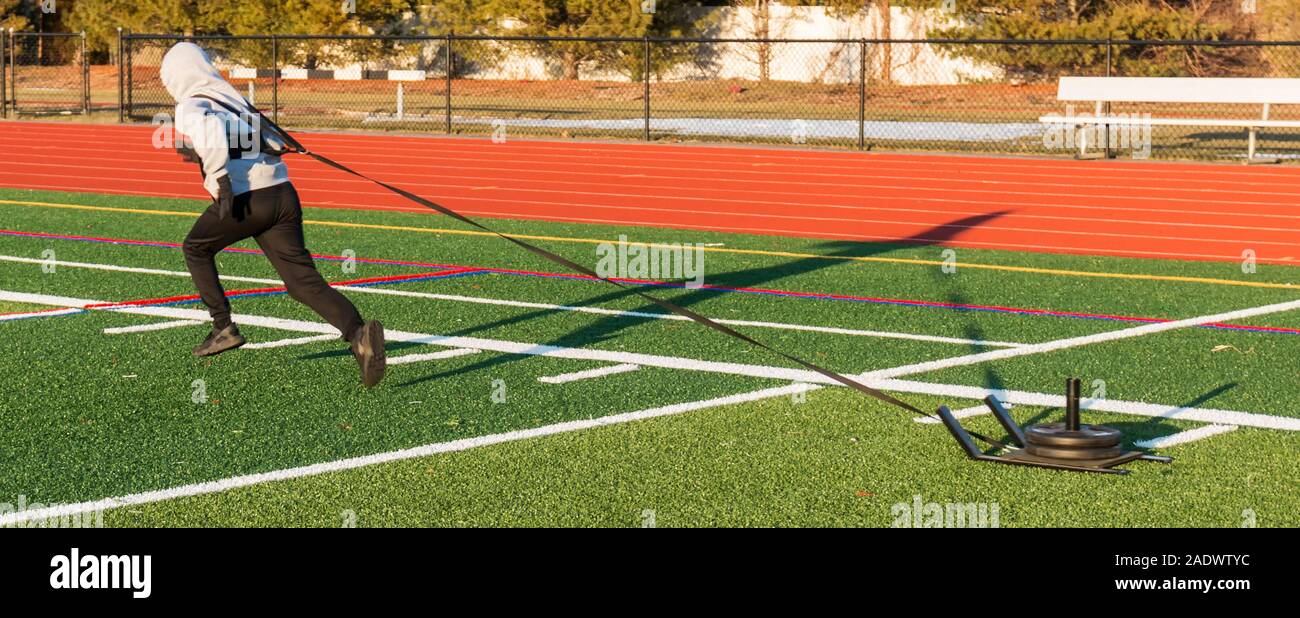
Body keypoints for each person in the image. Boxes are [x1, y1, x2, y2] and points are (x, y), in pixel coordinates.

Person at [161, 42, 386, 387]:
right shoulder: (233, 99)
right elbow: (270, 141)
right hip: (283, 194)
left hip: (246, 199)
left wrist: (217, 175)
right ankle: (358, 335)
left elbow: (211, 134)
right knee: (301, 281)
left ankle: (222, 327)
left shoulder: (191, 104)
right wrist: (203, 156)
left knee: (196, 248)